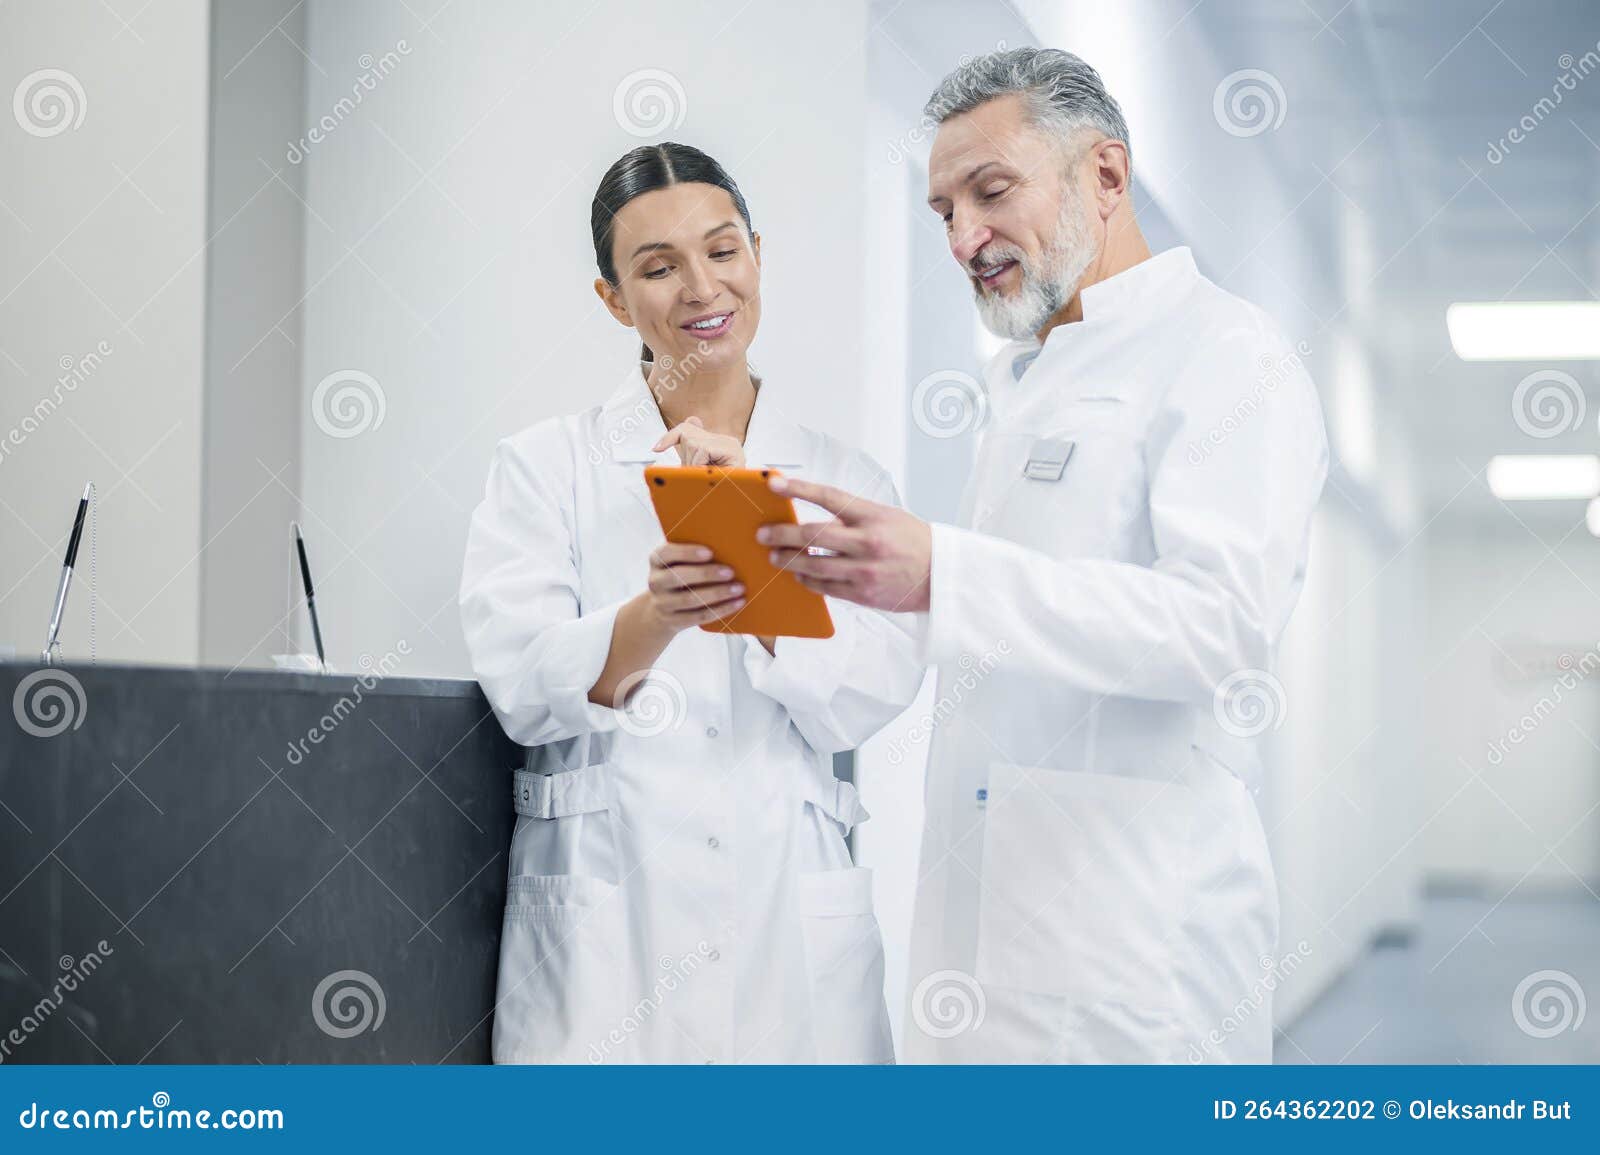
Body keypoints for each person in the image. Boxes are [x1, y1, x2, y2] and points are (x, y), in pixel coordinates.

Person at [758, 48, 1329, 1062]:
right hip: (988, 941)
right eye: (942, 211)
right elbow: (1012, 627)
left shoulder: (1229, 358)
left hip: (1129, 957)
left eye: (990, 191)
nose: (964, 236)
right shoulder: (1030, 379)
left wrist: (945, 573)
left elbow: (1221, 629)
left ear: (1104, 177)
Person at [458, 143, 923, 1064]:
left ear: (757, 252)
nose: (703, 288)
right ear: (612, 298)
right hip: (606, 938)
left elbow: (868, 692)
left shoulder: (840, 477)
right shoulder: (549, 468)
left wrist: (756, 554)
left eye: (722, 251)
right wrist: (655, 617)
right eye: (658, 267)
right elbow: (521, 684)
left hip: (789, 933)